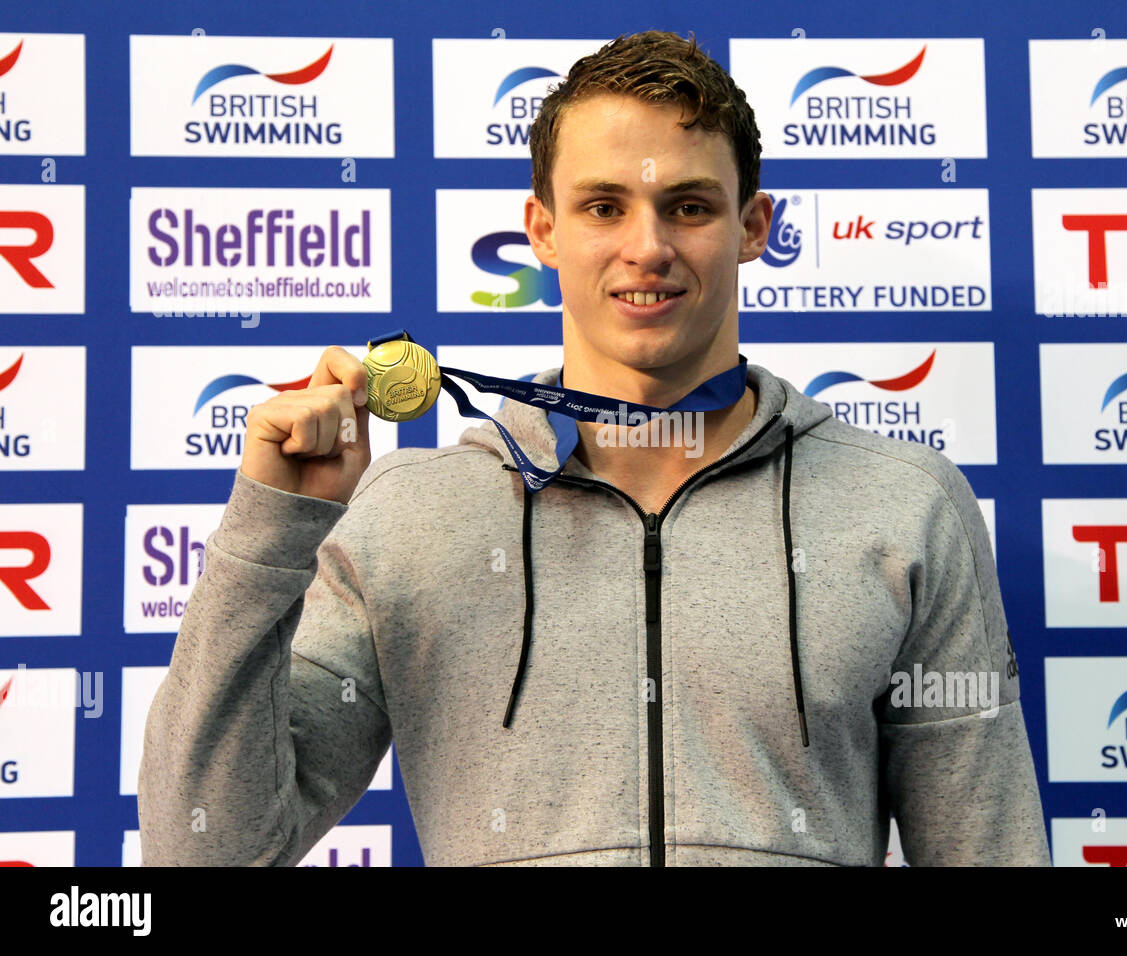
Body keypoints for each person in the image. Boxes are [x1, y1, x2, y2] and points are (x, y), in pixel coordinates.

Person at [139, 30, 1050, 866]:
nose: (646, 247)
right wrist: (272, 529)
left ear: (753, 227)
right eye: (604, 206)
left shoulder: (904, 505)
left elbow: (988, 851)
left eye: (687, 205)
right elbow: (211, 852)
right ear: (543, 231)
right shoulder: (414, 514)